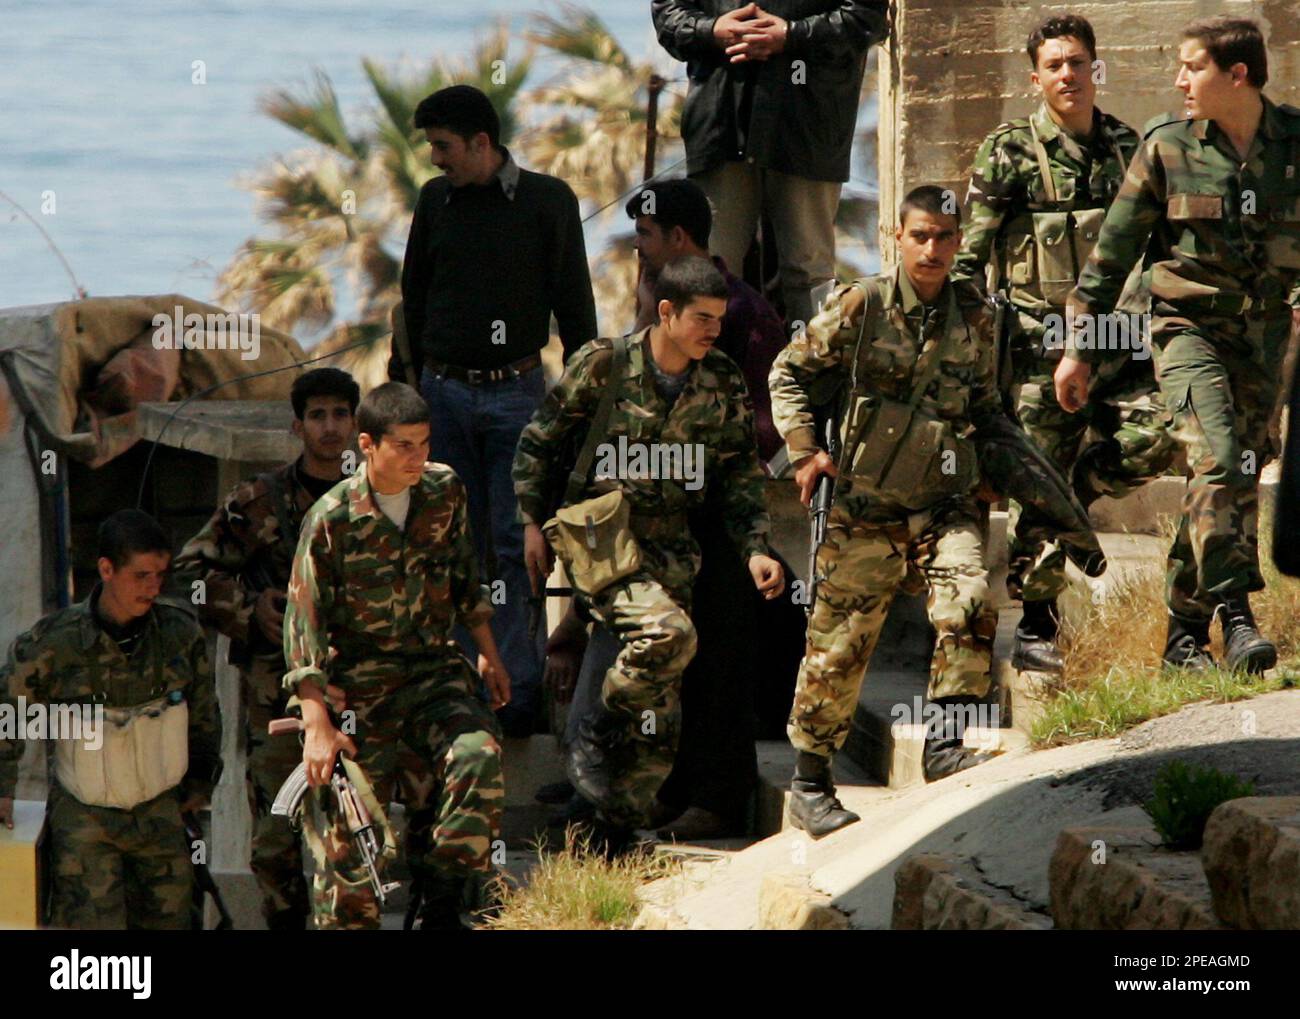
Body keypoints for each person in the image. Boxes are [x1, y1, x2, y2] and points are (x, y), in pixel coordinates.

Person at [1054, 16, 1300, 673]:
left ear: (1236, 74)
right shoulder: (1166, 145)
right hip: (1187, 331)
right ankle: (1239, 617)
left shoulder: (1296, 143)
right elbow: (1111, 257)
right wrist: (1078, 348)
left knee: (1230, 478)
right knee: (1216, 459)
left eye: (1192, 67)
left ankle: (1181, 637)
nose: (1179, 79)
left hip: (1267, 336)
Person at [513, 256, 784, 845]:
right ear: (666, 312)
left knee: (658, 710)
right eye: (702, 318)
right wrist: (532, 523)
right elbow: (539, 443)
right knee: (667, 638)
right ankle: (595, 735)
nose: (713, 330)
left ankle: (607, 828)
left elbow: (739, 472)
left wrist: (755, 549)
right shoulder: (604, 365)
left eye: (719, 318)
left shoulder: (721, 380)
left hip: (672, 554)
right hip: (602, 546)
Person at [769, 186, 1006, 837]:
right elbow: (788, 373)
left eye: (944, 237)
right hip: (865, 507)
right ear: (896, 238)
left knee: (970, 599)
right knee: (840, 643)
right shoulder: (860, 305)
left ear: (959, 242)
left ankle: (946, 741)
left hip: (943, 504)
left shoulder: (977, 317)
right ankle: (811, 782)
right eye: (920, 236)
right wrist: (804, 451)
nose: (932, 249)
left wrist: (994, 473)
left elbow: (986, 409)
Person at [954, 13, 1177, 674]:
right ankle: (1038, 625)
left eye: (1077, 63)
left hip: (1113, 344)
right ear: (1036, 77)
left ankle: (1080, 486)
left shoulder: (1126, 147)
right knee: (1037, 491)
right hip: (1034, 348)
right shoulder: (1009, 151)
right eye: (1054, 65)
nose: (1068, 76)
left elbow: (1153, 248)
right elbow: (971, 262)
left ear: (1094, 67)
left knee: (1158, 437)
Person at [394, 84, 598, 737]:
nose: (435, 159)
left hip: (517, 395)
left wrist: (585, 398)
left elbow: (575, 305)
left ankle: (521, 687)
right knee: (452, 540)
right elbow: (413, 295)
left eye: (443, 146)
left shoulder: (548, 201)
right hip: (444, 394)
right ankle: (461, 686)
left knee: (519, 544)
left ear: (482, 143)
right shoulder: (435, 201)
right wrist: (411, 387)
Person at [282, 382, 510, 930]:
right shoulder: (332, 519)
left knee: (478, 756)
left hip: (434, 678)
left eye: (424, 444)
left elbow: (465, 580)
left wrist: (489, 656)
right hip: (358, 692)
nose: (418, 458)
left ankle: (444, 898)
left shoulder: (444, 491)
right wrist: (315, 721)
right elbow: (303, 623)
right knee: (353, 853)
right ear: (367, 445)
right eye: (403, 446)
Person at [173, 367, 386, 929]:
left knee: (359, 834)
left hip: (362, 692)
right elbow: (190, 575)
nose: (330, 427)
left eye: (341, 414)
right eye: (317, 415)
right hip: (277, 701)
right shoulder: (258, 501)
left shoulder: (379, 500)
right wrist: (250, 609)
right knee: (275, 841)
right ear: (297, 426)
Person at [0, 510, 222, 928]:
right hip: (85, 823)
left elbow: (204, 713)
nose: (153, 586)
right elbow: (8, 710)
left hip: (160, 815)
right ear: (106, 569)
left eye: (160, 574)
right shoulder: (53, 643)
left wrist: (200, 782)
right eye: (141, 575)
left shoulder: (179, 634)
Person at [651, 0, 890, 331]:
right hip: (721, 127)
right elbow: (668, 15)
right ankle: (715, 378)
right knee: (712, 270)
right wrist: (713, 30)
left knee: (809, 273)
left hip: (807, 126)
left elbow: (866, 16)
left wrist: (793, 35)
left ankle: (814, 374)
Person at [627, 178, 787, 462]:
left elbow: (765, 429)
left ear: (677, 237)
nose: (637, 245)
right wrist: (646, 317)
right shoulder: (658, 305)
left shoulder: (744, 314)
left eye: (644, 233)